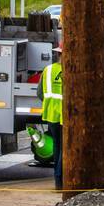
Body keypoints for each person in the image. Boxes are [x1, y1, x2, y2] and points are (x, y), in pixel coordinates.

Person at [39, 57, 63, 190]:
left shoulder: (48, 70)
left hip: (51, 114)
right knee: (65, 148)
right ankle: (60, 179)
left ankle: (57, 179)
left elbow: (40, 93)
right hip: (66, 114)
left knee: (57, 145)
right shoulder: (70, 70)